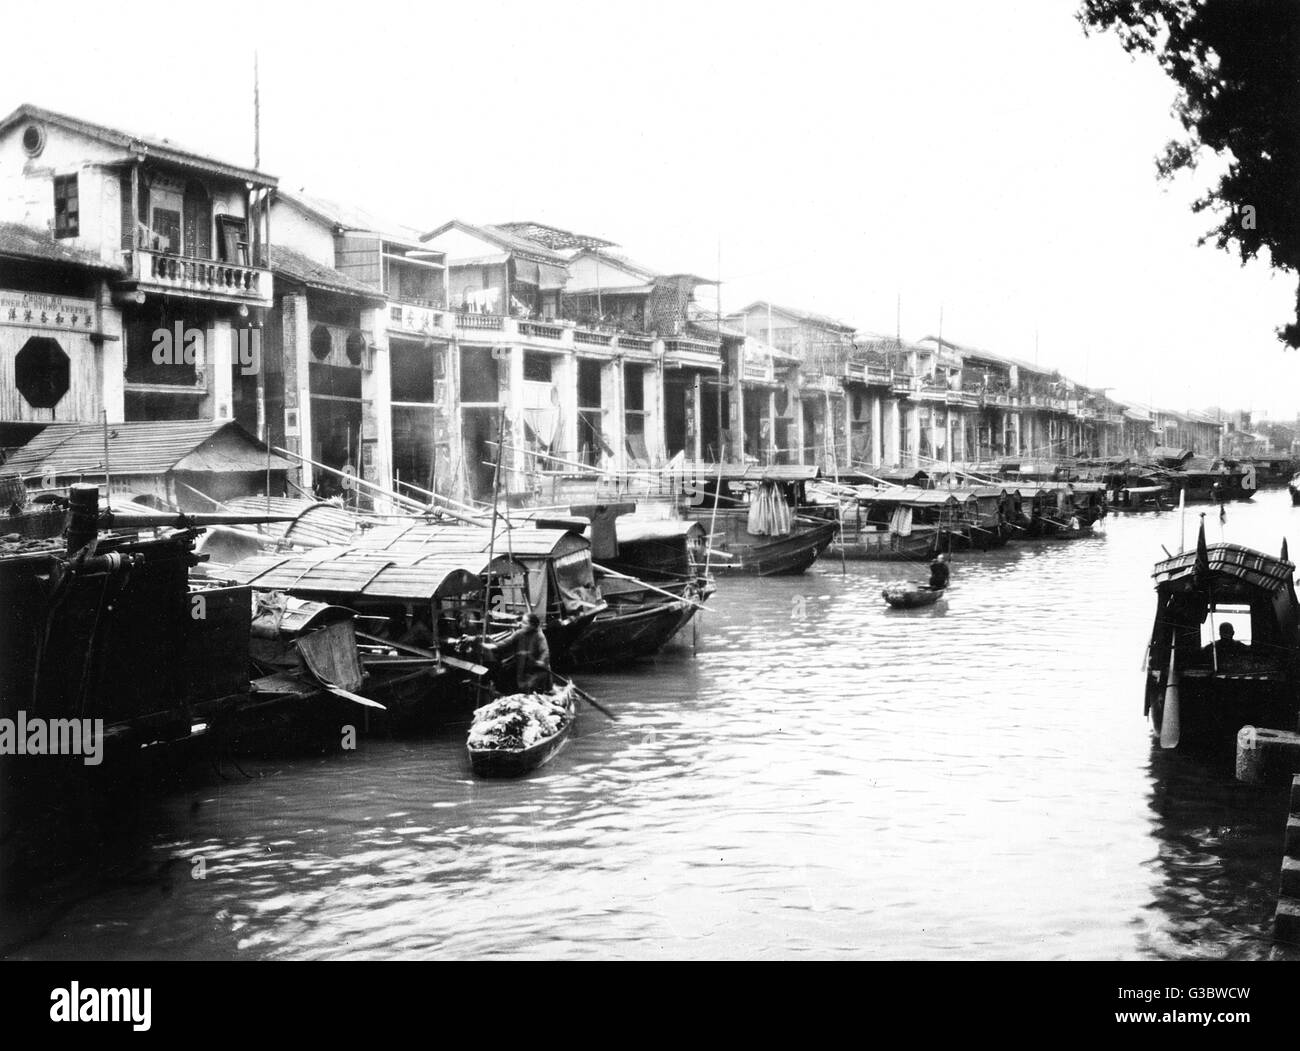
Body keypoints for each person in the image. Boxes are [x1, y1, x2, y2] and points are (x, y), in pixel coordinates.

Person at [514, 612, 552, 692]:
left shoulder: (539, 636)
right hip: (528, 667)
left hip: (539, 669)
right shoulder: (522, 634)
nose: (522, 625)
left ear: (532, 625)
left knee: (535, 687)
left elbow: (545, 651)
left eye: (525, 623)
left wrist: (541, 661)